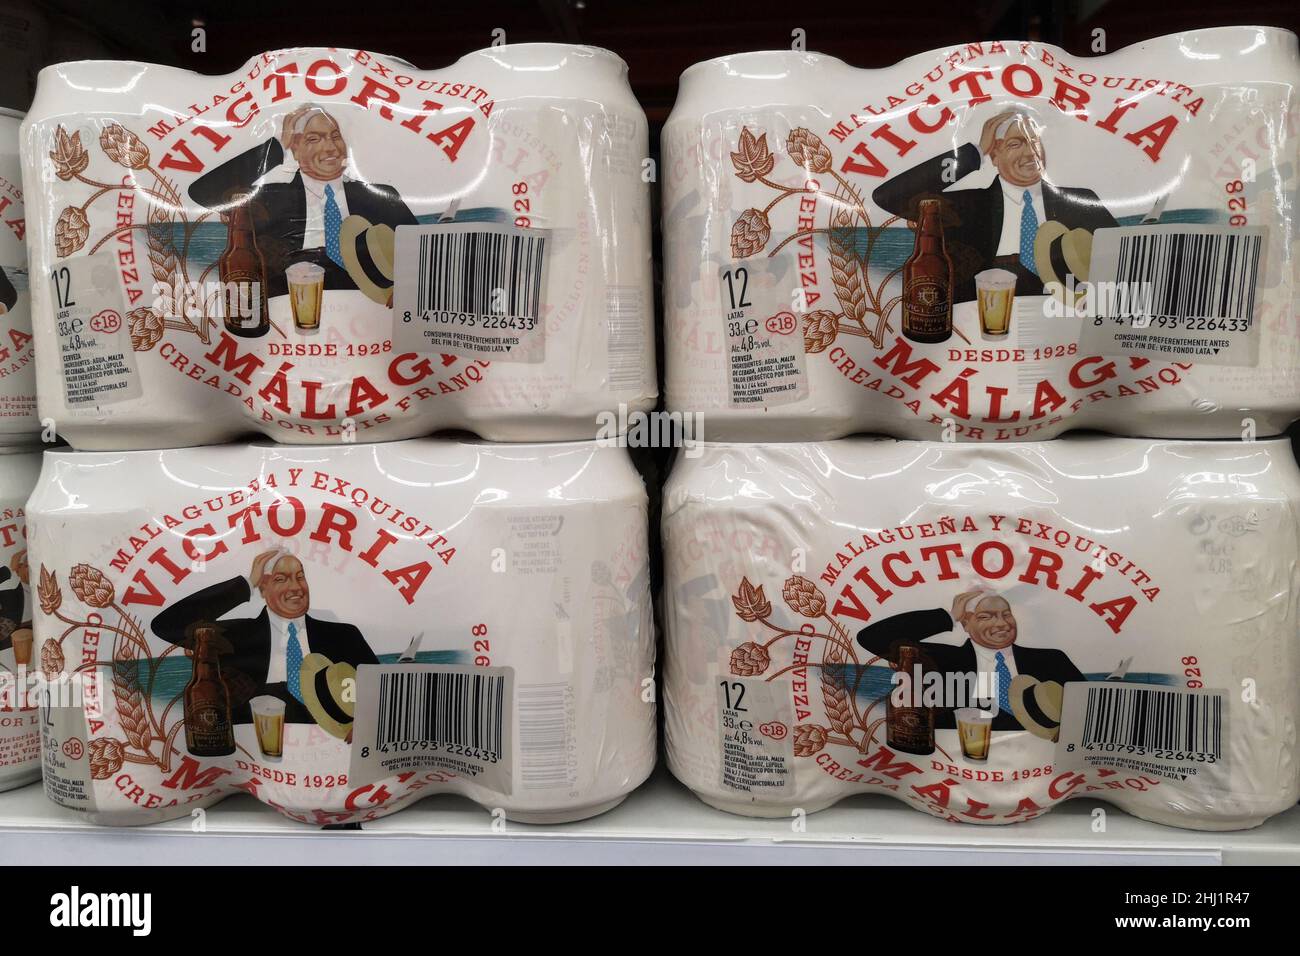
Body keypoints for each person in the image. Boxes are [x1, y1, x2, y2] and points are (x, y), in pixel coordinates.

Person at [871, 110, 1118, 302]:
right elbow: (889, 196)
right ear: (994, 155)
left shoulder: (1082, 201)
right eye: (1015, 144)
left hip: (1065, 314)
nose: (1030, 152)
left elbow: (1124, 262)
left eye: (1034, 141)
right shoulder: (965, 205)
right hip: (981, 316)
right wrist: (974, 154)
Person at [188, 105, 418, 298]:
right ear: (294, 148)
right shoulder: (267, 198)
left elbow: (421, 256)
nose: (330, 147)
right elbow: (204, 192)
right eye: (314, 139)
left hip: (369, 303)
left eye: (335, 136)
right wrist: (277, 145)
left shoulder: (382, 196)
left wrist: (407, 290)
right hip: (286, 304)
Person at [151, 549, 377, 726]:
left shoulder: (345, 636)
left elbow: (380, 693)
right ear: (262, 588)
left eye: (300, 577)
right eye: (281, 579)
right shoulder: (232, 637)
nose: (296, 587)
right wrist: (246, 584)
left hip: (330, 743)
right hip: (251, 746)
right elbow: (167, 625)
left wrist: (366, 724)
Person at [856, 588, 1084, 731]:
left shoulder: (1052, 660)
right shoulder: (938, 660)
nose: (1002, 623)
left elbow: (1086, 710)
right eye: (986, 617)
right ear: (965, 624)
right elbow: (873, 638)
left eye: (1006, 614)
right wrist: (948, 616)